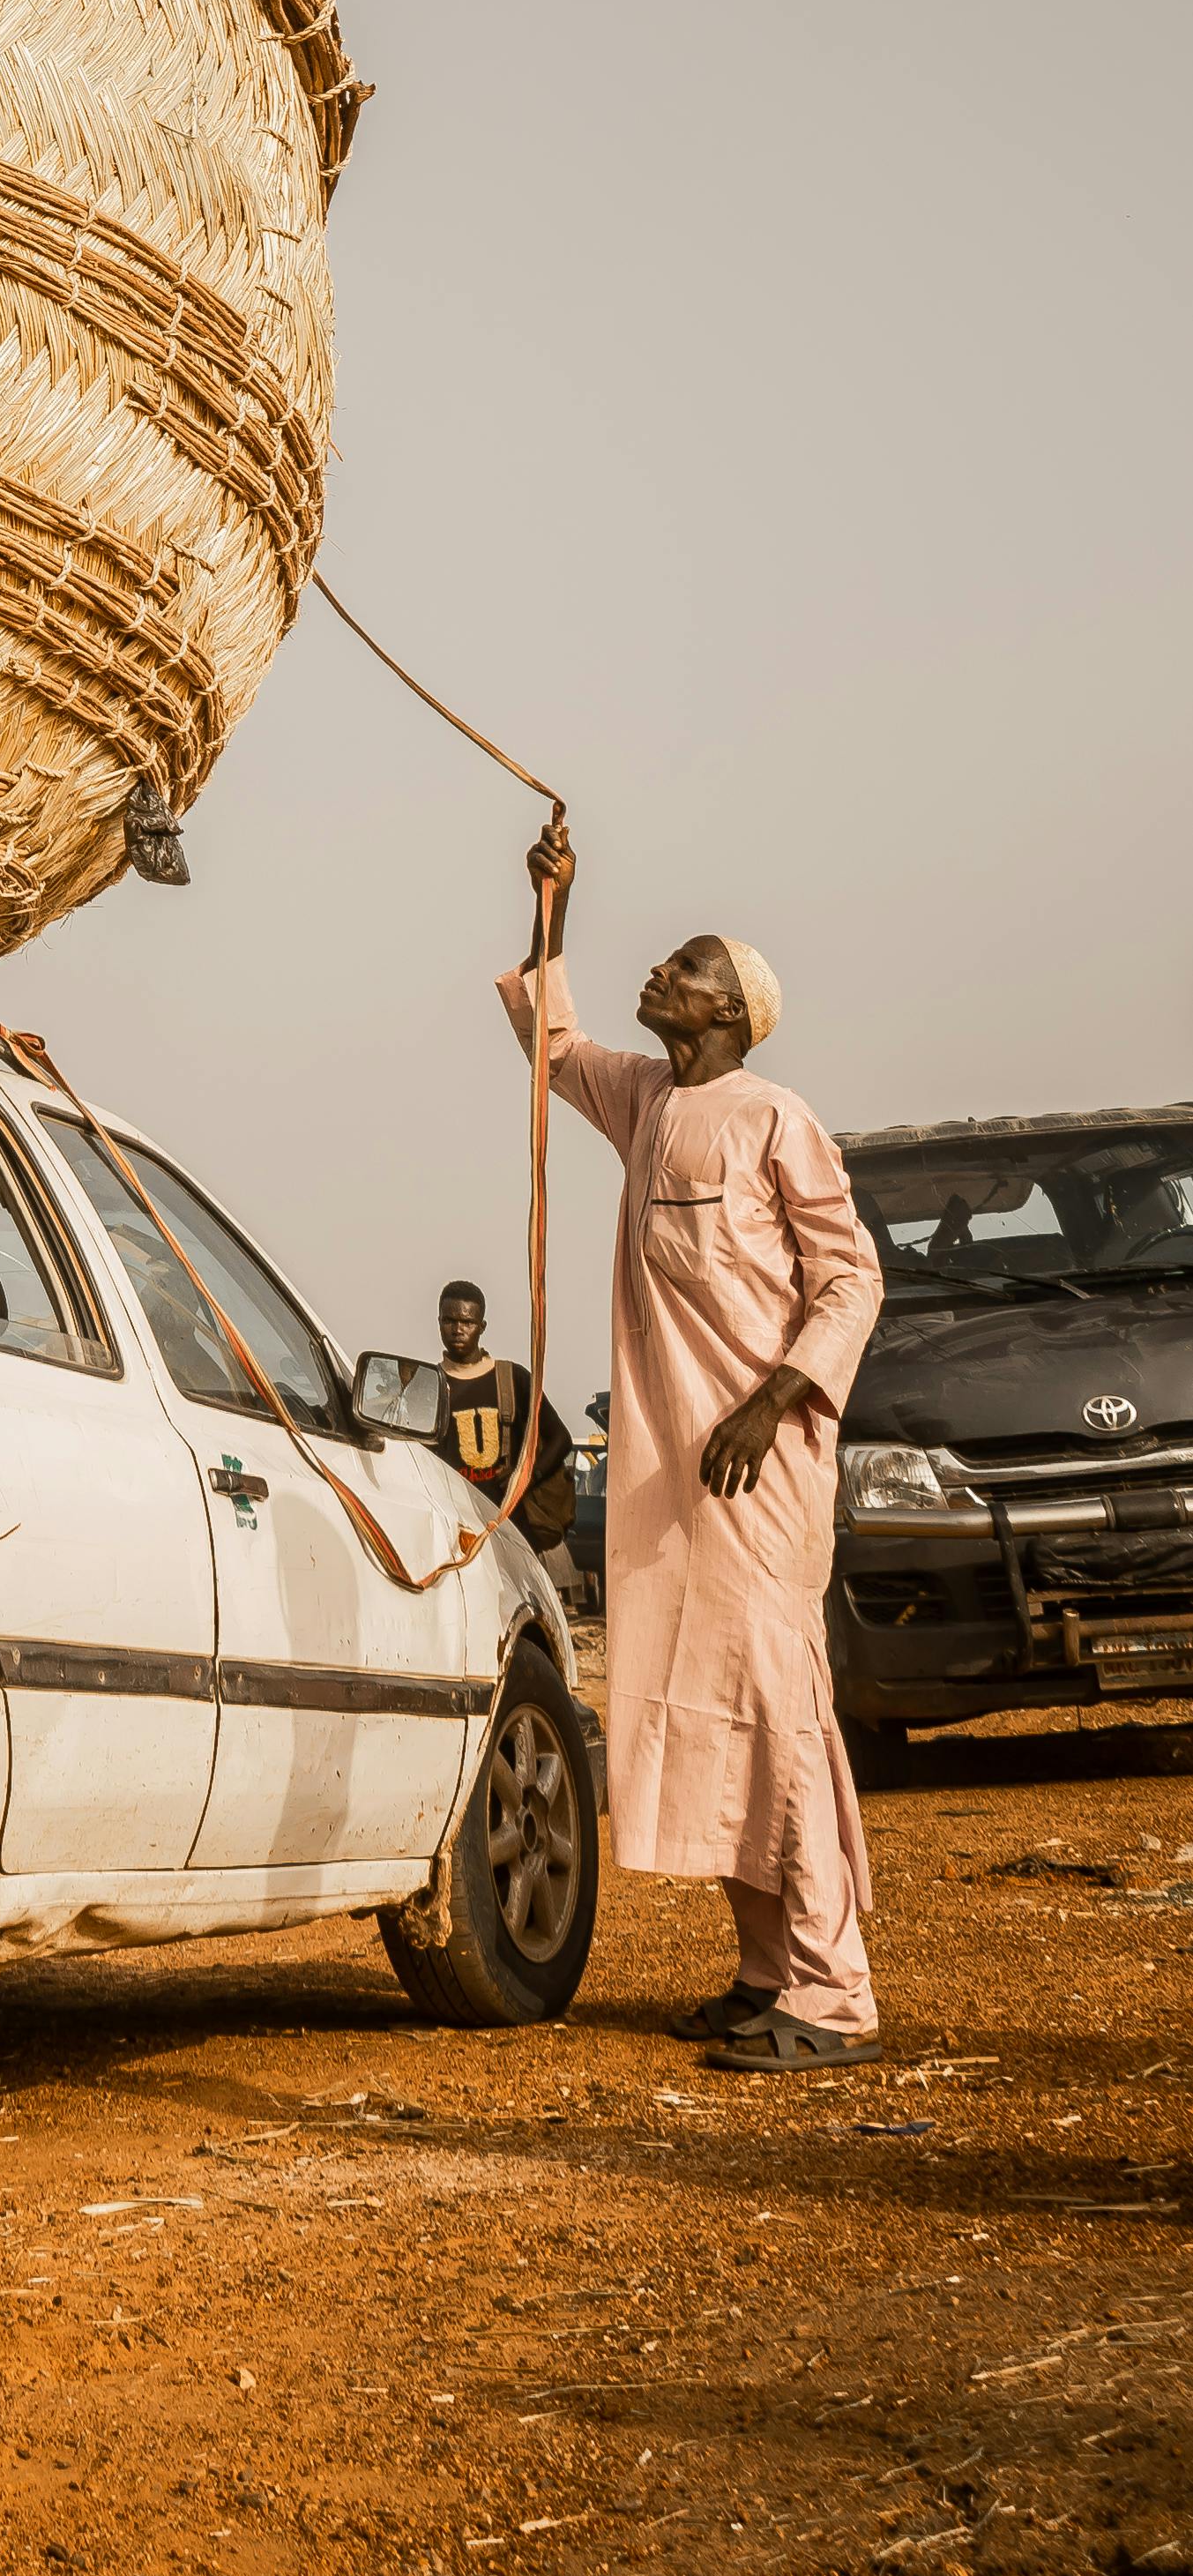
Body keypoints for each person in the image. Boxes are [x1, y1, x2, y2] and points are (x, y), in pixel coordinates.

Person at [498, 810, 885, 2072]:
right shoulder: (647, 1095)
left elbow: (851, 1282)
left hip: (759, 1473)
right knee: (712, 1709)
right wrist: (551, 906)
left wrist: (775, 1400)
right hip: (673, 1474)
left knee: (776, 1713)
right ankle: (767, 1969)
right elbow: (551, 1042)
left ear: (725, 1009)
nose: (656, 974)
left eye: (681, 967)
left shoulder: (777, 1117)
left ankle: (832, 1994)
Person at [427, 1280, 575, 1552]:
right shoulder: (429, 1385)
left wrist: (527, 1476)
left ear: (481, 1327)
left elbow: (560, 1439)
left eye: (467, 1322)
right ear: (439, 1321)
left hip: (511, 1528)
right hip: (452, 1526)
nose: (458, 1330)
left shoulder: (511, 1378)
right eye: (449, 1320)